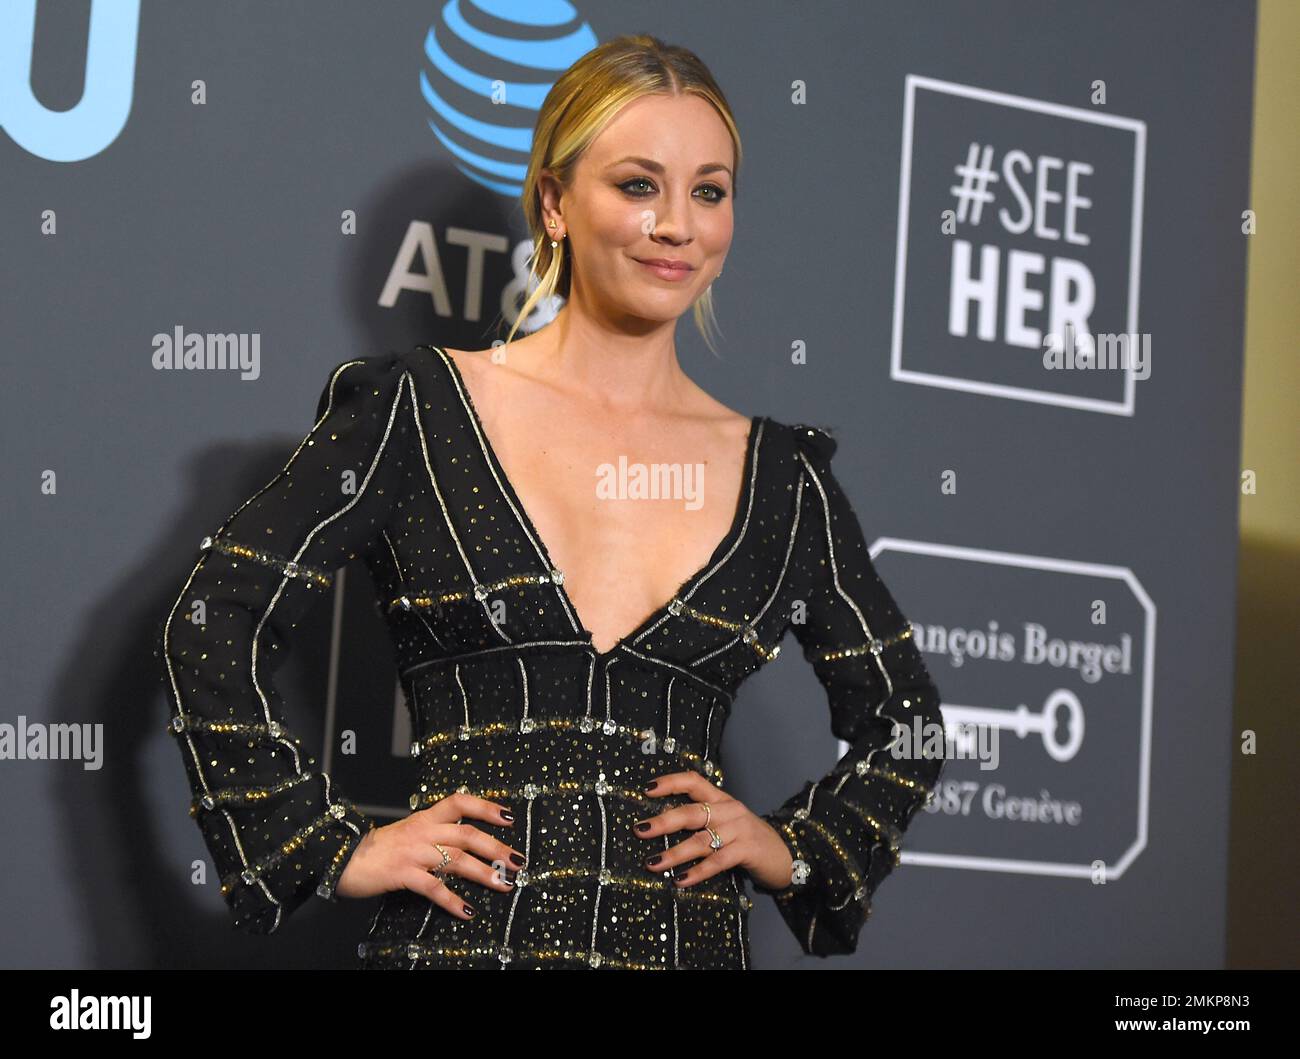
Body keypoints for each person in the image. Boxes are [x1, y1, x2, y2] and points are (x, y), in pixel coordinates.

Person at [158, 34, 945, 969]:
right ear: (555, 203)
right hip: (454, 947)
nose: (677, 226)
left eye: (709, 191)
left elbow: (909, 723)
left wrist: (793, 848)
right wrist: (328, 847)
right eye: (638, 185)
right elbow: (210, 622)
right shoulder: (418, 410)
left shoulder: (783, 480)